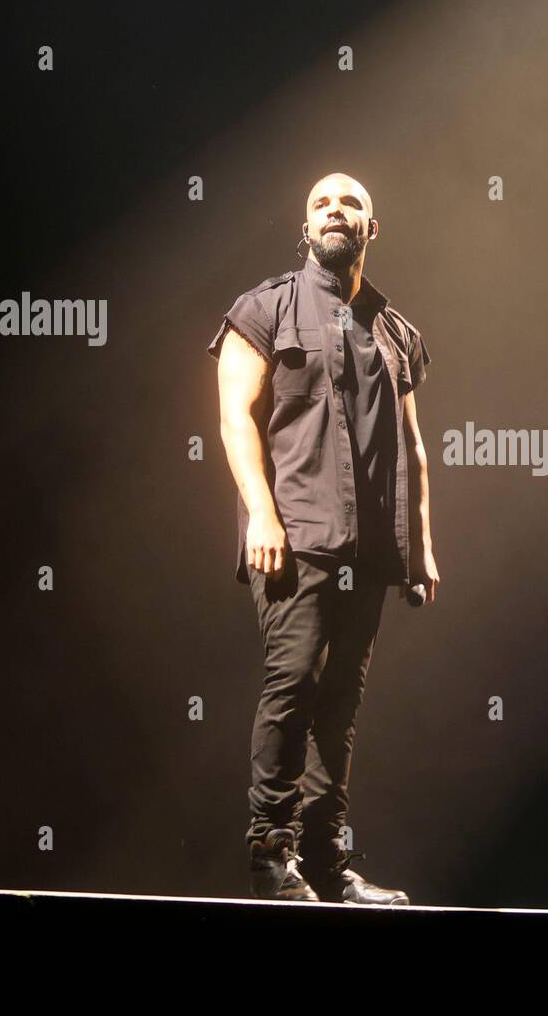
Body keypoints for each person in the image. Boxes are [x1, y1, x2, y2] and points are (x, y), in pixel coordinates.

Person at [207, 172, 440, 903]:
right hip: (296, 536)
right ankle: (271, 854)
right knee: (294, 684)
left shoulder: (395, 331)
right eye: (320, 203)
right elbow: (234, 415)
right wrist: (262, 514)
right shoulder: (265, 307)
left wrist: (421, 547)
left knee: (339, 708)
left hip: (367, 550)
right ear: (304, 227)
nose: (334, 211)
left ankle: (328, 863)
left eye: (350, 203)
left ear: (373, 228)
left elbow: (412, 446)